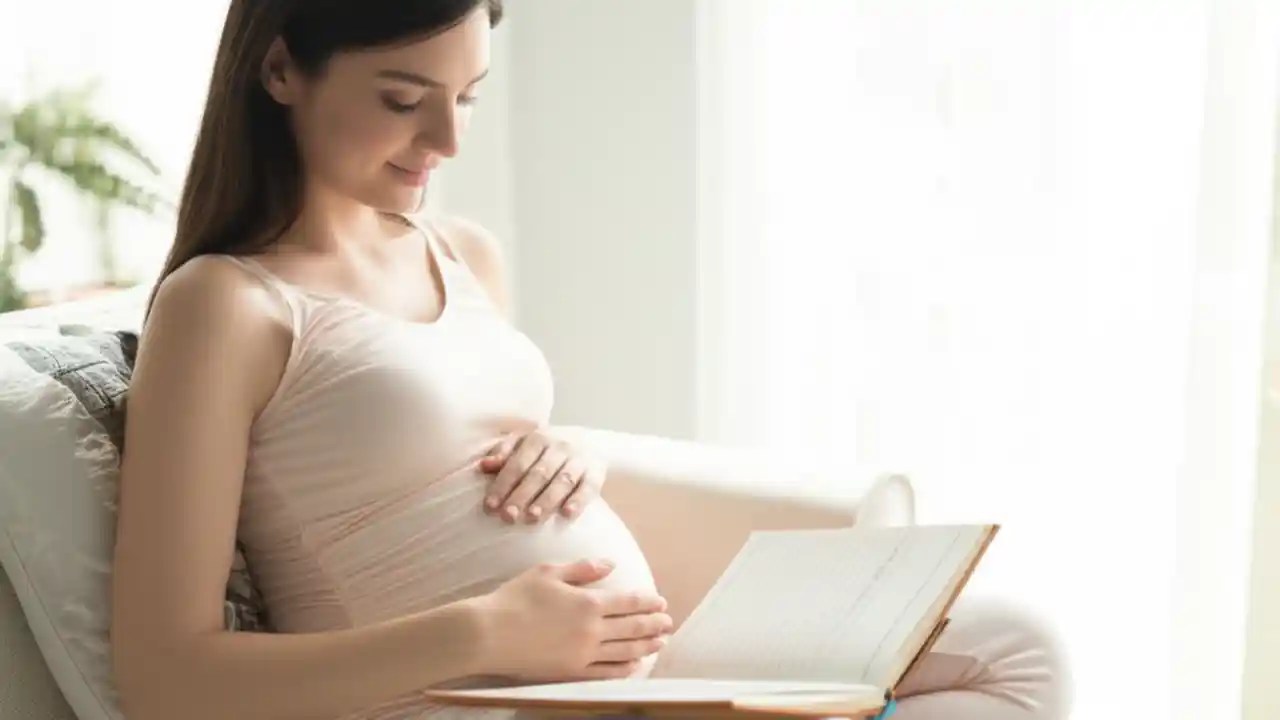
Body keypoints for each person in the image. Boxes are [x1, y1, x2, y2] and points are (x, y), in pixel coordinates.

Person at [109, 2, 1072, 719]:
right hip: (468, 697)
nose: (445, 140)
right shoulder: (225, 305)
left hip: (622, 680)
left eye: (467, 99)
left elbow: (438, 455)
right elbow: (163, 672)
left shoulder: (464, 253)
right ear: (281, 70)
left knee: (1014, 647)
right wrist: (485, 631)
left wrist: (564, 448)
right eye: (404, 100)